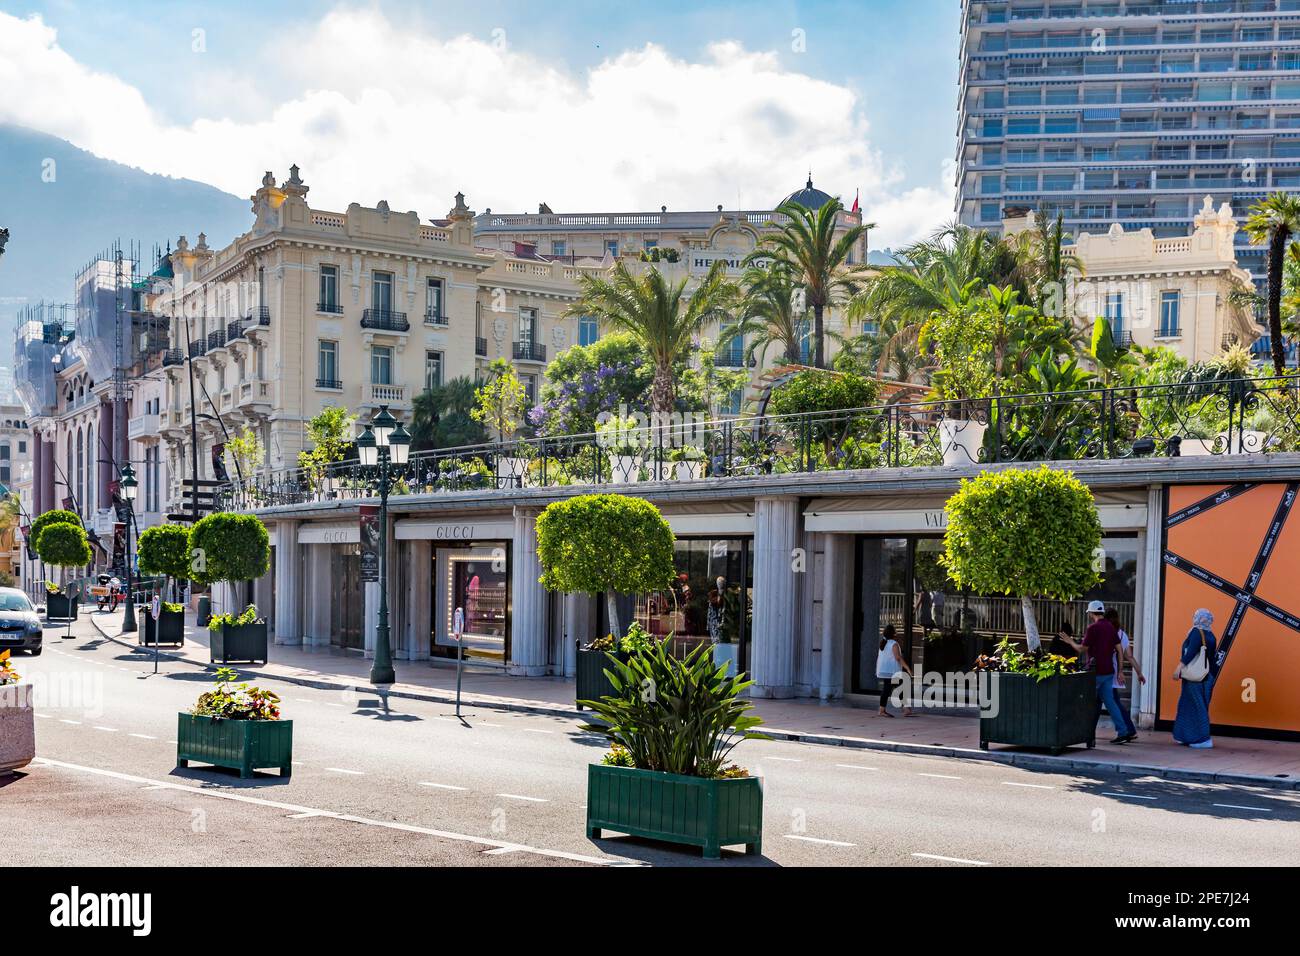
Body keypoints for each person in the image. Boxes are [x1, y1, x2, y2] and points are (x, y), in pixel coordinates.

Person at [1079, 599, 1130, 744]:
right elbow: (1120, 650)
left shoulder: (1092, 628)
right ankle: (1123, 732)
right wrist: (1120, 670)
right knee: (1111, 703)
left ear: (1091, 613)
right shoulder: (1110, 628)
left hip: (1095, 672)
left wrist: (1070, 642)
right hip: (1109, 671)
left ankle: (1088, 736)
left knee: (1089, 704)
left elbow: (1082, 649)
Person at [1173, 608, 1219, 749]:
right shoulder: (1211, 635)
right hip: (1207, 676)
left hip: (1195, 678)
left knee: (1195, 706)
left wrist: (1178, 668)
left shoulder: (1195, 632)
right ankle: (1187, 736)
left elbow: (1191, 652)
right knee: (1195, 705)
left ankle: (1201, 738)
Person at [1102, 608, 1144, 742]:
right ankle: (1128, 730)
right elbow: (1130, 657)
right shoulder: (1122, 635)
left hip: (1106, 672)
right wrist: (1139, 672)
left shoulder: (1105, 632)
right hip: (1115, 673)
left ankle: (1127, 730)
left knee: (1113, 703)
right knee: (1114, 702)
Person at [876, 625, 913, 717]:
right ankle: (904, 708)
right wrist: (908, 668)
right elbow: (898, 657)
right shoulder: (893, 644)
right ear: (893, 633)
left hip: (884, 670)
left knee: (889, 689)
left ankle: (904, 708)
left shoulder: (883, 643)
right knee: (899, 687)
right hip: (892, 671)